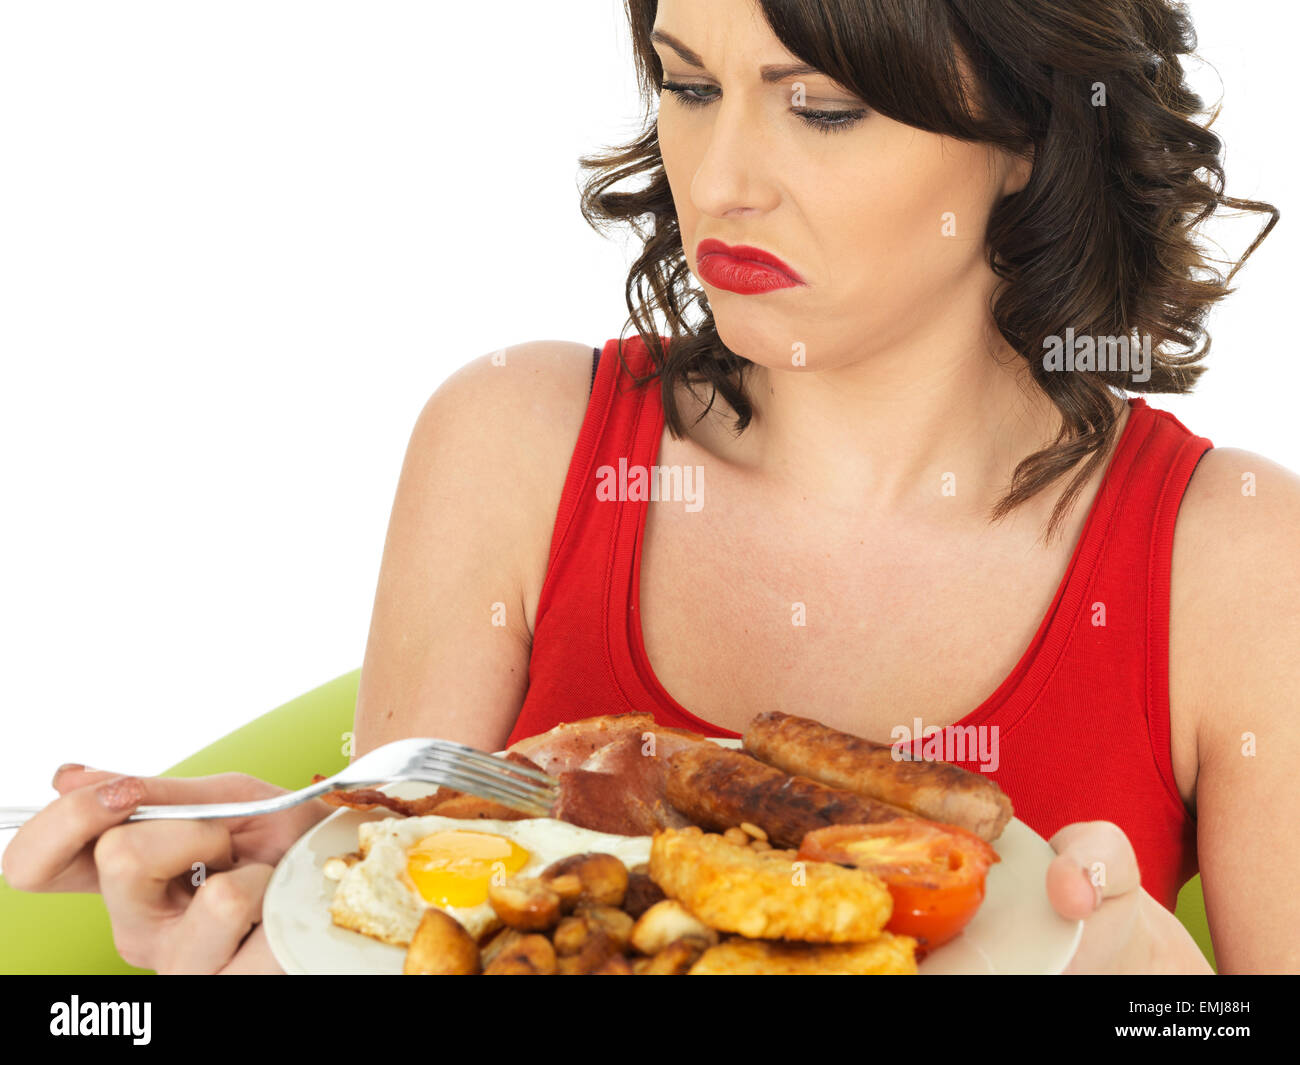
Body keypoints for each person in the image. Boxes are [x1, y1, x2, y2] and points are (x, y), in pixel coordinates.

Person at [5, 0, 1296, 975]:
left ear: (1031, 136)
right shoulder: (513, 436)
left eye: (824, 105)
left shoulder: (1236, 554)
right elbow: (391, 891)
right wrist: (269, 918)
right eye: (686, 85)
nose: (720, 178)